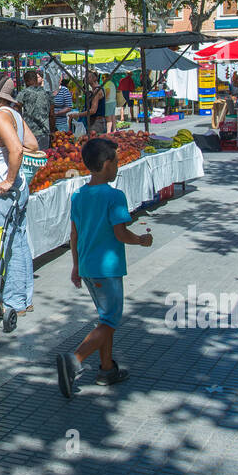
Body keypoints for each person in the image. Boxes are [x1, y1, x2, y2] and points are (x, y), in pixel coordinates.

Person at [57, 136, 152, 397]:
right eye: (117, 162)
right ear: (107, 164)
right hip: (107, 268)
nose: (119, 167)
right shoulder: (115, 196)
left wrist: (76, 266)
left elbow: (74, 234)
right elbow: (120, 233)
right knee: (110, 320)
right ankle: (74, 361)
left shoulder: (78, 196)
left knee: (105, 318)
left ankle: (107, 368)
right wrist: (141, 240)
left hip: (87, 266)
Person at [0, 72, 37, 315]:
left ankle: (13, 303)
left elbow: (18, 150)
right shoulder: (14, 114)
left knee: (7, 246)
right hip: (19, 191)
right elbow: (32, 145)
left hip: (2, 194)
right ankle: (24, 299)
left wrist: (8, 179)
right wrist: (11, 149)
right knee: (20, 242)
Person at [15, 68, 51, 151]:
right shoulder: (47, 93)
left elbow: (16, 109)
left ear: (27, 81)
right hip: (44, 132)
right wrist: (51, 131)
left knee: (31, 158)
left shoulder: (23, 93)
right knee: (43, 157)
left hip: (28, 132)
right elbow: (52, 114)